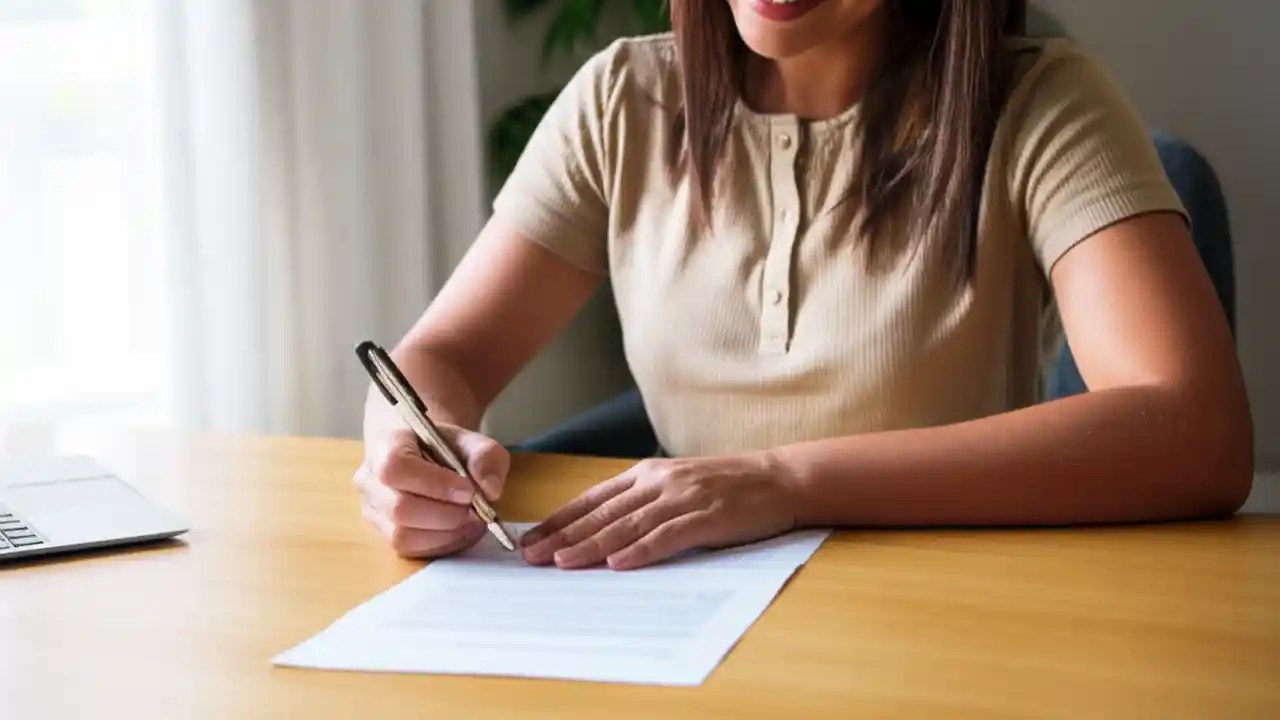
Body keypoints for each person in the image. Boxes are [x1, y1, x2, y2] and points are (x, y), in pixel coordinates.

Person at [355, 0, 1253, 570]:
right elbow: (443, 353)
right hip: (679, 622)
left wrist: (785, 480)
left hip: (952, 620)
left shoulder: (1040, 103)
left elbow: (1193, 430)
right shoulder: (622, 100)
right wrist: (408, 444)